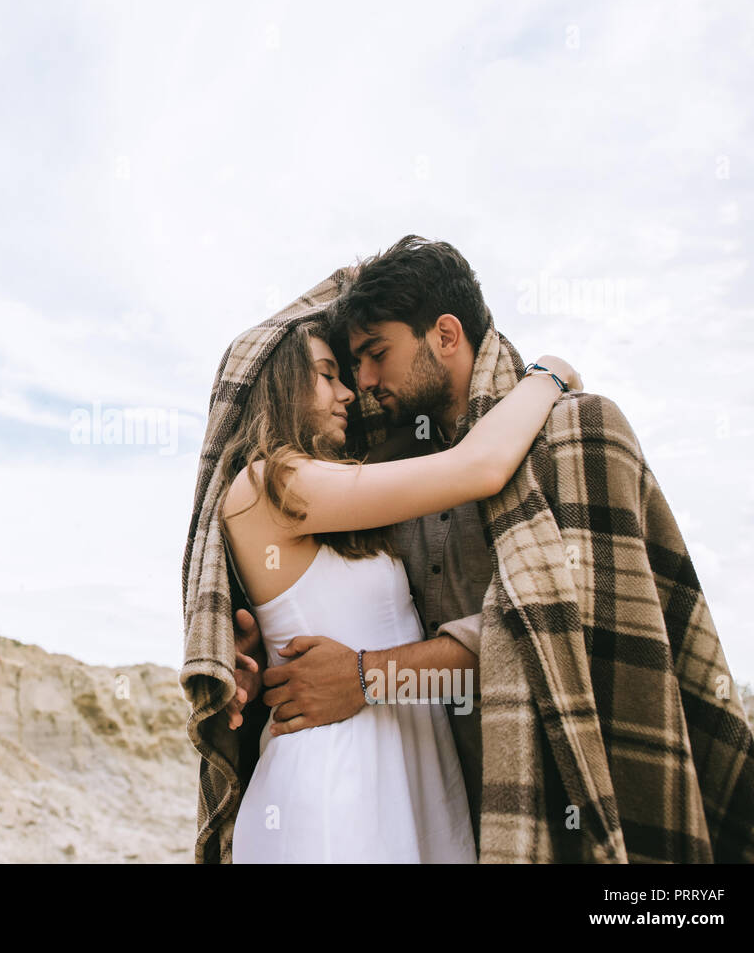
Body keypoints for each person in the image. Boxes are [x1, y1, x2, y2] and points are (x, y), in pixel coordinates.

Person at [215, 235, 754, 863]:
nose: (360, 385)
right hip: (407, 782)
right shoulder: (369, 470)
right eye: (338, 371)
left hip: (544, 781)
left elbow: (568, 628)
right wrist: (244, 655)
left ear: (446, 336)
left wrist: (370, 674)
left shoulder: (573, 436)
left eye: (373, 356)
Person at [217, 314, 579, 862]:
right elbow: (479, 467)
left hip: (406, 774)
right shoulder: (268, 482)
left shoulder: (329, 495)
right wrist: (548, 374)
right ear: (281, 384)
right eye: (326, 374)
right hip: (333, 782)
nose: (347, 392)